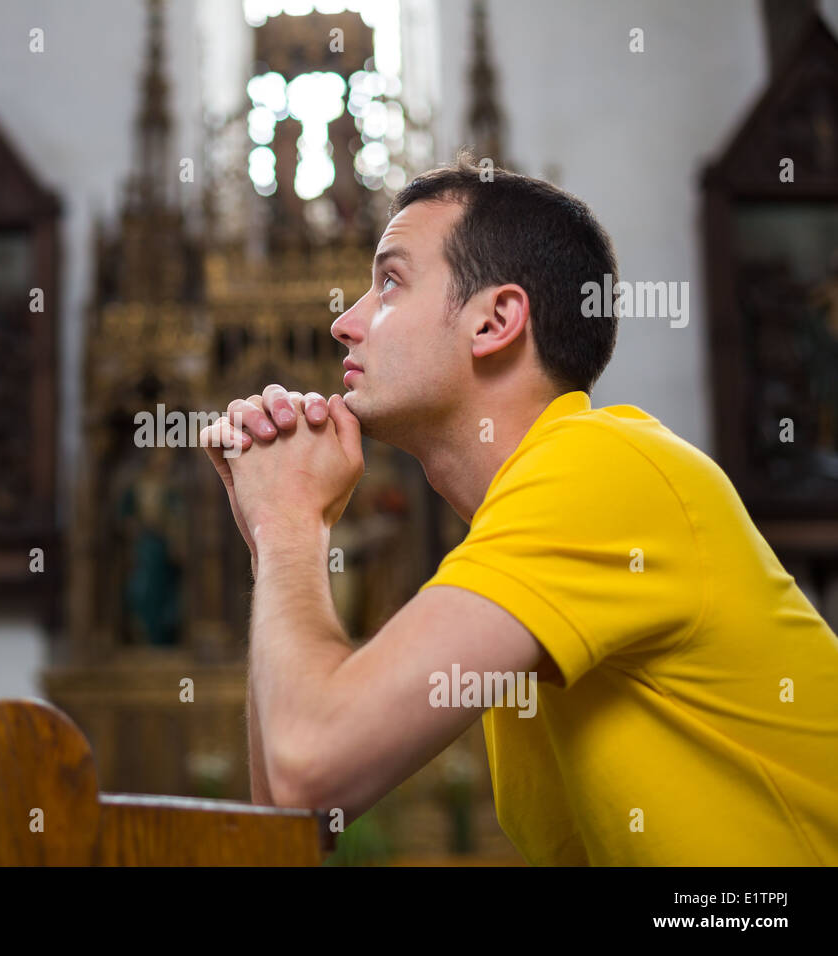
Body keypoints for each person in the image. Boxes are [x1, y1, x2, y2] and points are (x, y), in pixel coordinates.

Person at [199, 151, 838, 865]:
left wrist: (287, 522)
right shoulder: (522, 518)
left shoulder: (599, 467)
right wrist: (279, 530)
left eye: (388, 282)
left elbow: (305, 777)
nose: (344, 324)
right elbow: (288, 819)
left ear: (495, 320)